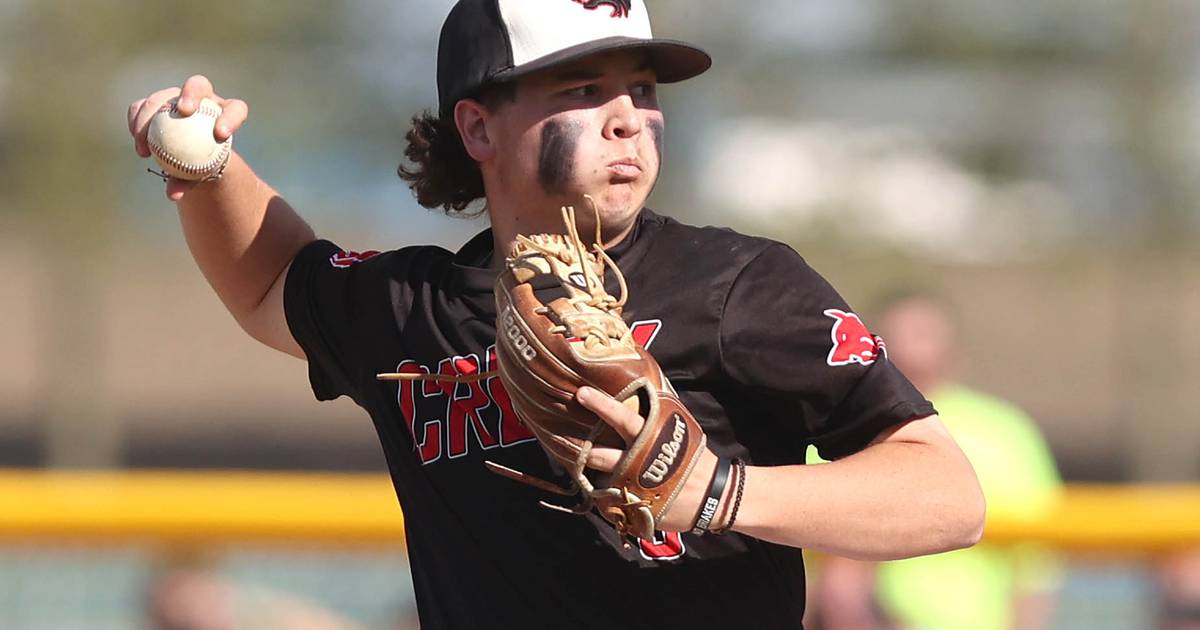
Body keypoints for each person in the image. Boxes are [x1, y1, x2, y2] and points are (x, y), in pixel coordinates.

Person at [125, 2, 984, 627]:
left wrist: (718, 492)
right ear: (478, 128)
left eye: (641, 87)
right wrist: (205, 166)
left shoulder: (738, 285)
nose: (629, 120)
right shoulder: (416, 309)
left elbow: (948, 496)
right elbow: (272, 281)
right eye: (583, 88)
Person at [809, 291, 1063, 630]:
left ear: (954, 350)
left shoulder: (1004, 431)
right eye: (900, 337)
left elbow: (1037, 566)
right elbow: (827, 580)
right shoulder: (835, 431)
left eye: (924, 335)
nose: (914, 350)